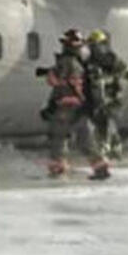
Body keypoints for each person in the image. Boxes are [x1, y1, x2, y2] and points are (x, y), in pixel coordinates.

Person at [36, 28, 97, 178]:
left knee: (59, 138)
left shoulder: (66, 63)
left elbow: (59, 84)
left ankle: (58, 169)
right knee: (86, 140)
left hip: (66, 106)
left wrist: (51, 76)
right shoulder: (82, 64)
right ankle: (100, 166)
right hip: (81, 106)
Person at [83, 29, 128, 177]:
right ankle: (114, 148)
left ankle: (105, 157)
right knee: (102, 128)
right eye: (92, 46)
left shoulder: (113, 60)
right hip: (96, 102)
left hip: (111, 101)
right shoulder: (88, 64)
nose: (94, 49)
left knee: (104, 128)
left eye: (96, 45)